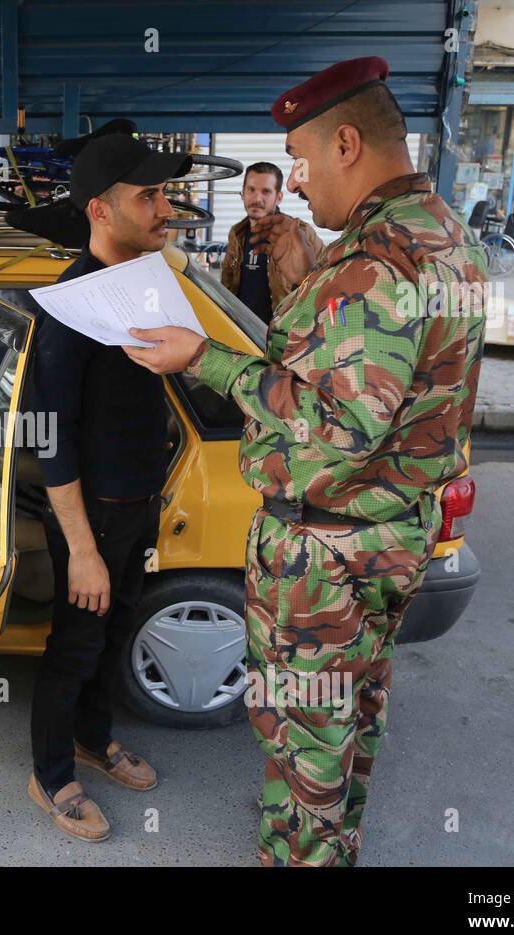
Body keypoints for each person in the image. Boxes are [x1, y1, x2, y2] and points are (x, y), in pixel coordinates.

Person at [121, 57, 487, 865]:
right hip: (395, 529)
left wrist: (204, 359)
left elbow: (340, 422)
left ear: (346, 144)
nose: (293, 182)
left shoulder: (372, 261)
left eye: (301, 160)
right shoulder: (445, 236)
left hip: (327, 548)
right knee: (354, 713)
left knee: (305, 733)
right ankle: (330, 843)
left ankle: (304, 855)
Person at [27, 132, 191, 842]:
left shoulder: (143, 284)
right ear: (100, 209)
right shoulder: (69, 306)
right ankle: (51, 772)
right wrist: (82, 550)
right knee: (74, 647)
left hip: (138, 506)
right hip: (88, 518)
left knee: (115, 631)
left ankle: (93, 738)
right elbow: (46, 434)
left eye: (164, 193)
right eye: (148, 196)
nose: (166, 208)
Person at [220, 162, 324, 323]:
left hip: (281, 332)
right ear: (242, 193)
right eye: (251, 189)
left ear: (279, 197)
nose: (257, 198)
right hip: (242, 331)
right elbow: (226, 286)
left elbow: (327, 281)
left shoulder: (299, 233)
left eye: (266, 191)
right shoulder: (236, 233)